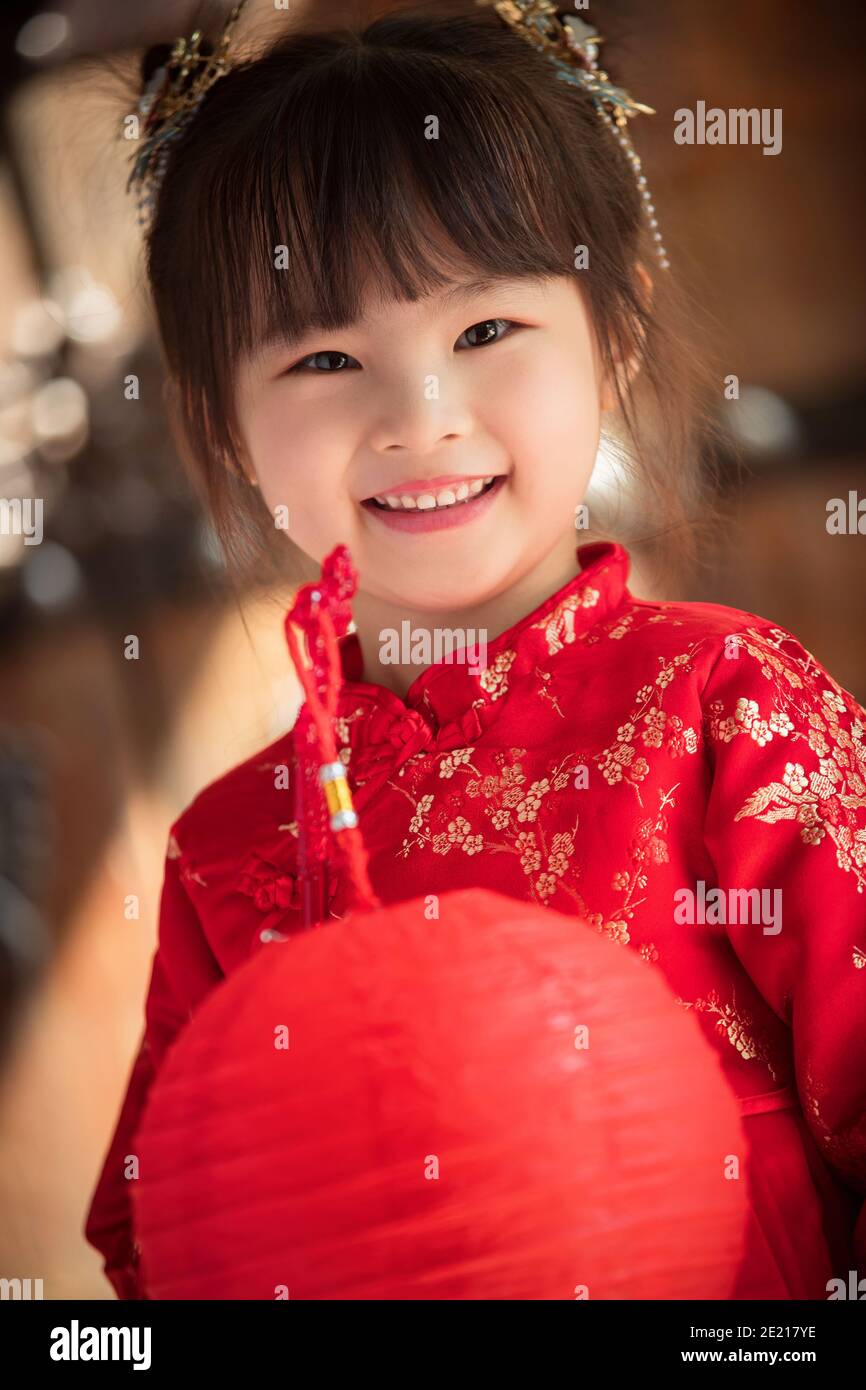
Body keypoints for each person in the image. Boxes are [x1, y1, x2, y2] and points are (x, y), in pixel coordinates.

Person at [85, 0, 866, 1299]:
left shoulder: (729, 708)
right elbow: (160, 1241)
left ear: (612, 329)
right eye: (325, 357)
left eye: (485, 331)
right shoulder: (229, 852)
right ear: (216, 423)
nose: (418, 417)